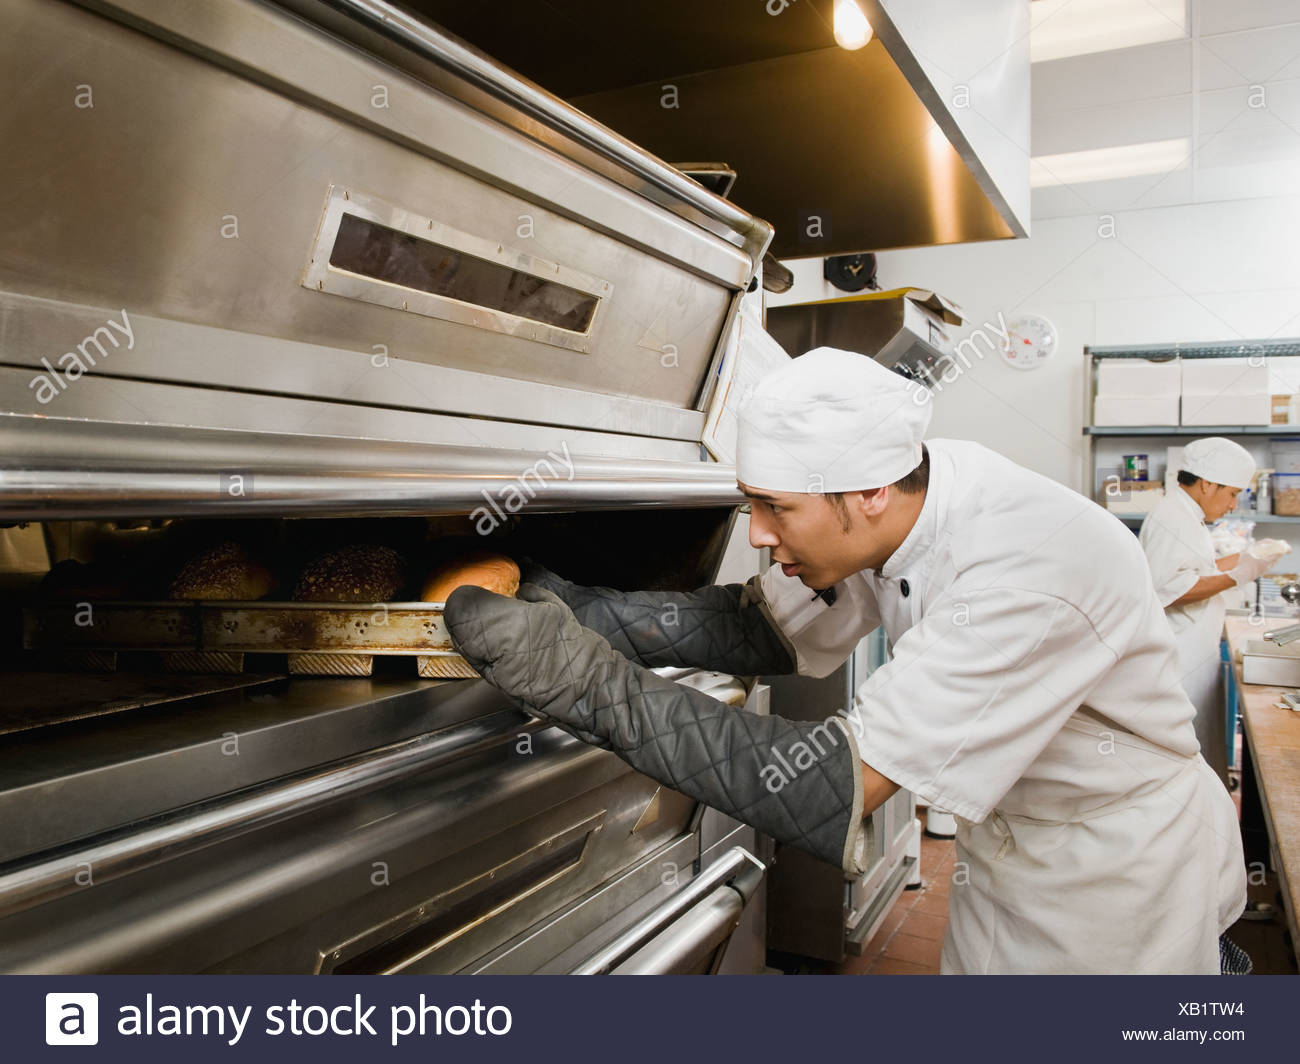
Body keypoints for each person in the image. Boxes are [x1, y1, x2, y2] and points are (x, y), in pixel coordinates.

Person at [444, 348, 1245, 974]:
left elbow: (831, 787)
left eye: (775, 509)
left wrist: (586, 683)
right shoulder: (909, 496)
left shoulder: (1035, 565)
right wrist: (585, 610)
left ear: (865, 496)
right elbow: (757, 630)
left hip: (1114, 877)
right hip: (1014, 850)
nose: (756, 534)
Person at [1138, 438, 1289, 780]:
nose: (1234, 504)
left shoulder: (1186, 515)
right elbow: (1169, 590)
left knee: (1200, 754)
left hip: (1193, 654)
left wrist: (1252, 557)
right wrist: (1239, 574)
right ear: (1207, 484)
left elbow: (1197, 569)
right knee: (1188, 763)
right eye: (1232, 493)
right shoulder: (1173, 518)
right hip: (1179, 659)